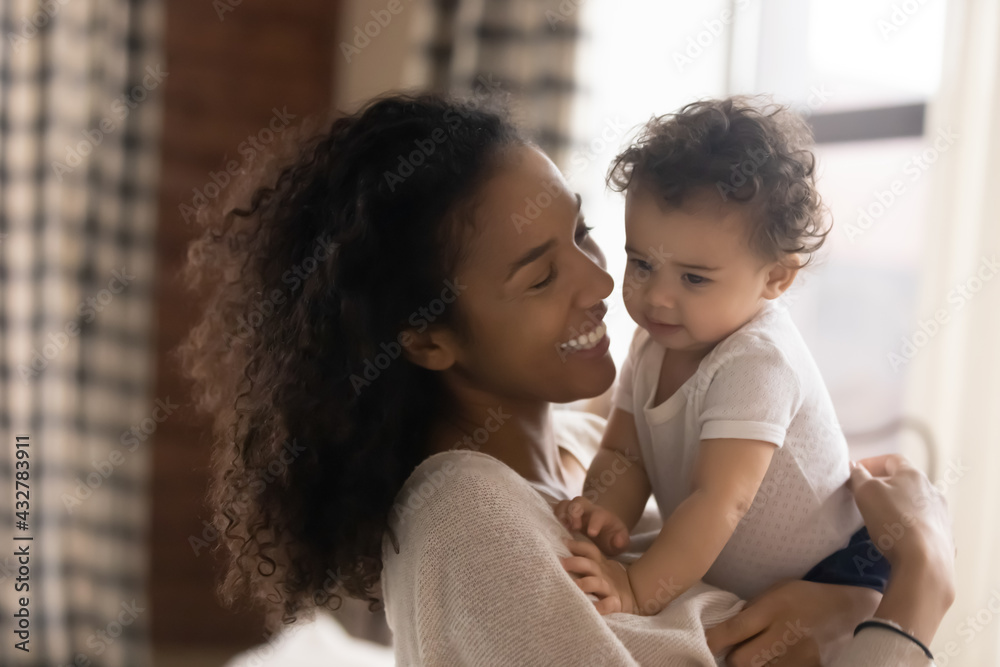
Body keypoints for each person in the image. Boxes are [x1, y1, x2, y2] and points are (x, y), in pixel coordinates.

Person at [178, 92, 954, 666]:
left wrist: (851, 596)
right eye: (542, 275)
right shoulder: (465, 514)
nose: (605, 284)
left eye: (583, 231)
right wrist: (917, 583)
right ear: (429, 338)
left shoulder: (591, 450)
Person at [555, 97, 882, 615]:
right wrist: (603, 517)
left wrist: (638, 590)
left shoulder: (757, 362)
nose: (656, 297)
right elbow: (625, 456)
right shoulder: (653, 342)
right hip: (738, 572)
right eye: (641, 263)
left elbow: (718, 500)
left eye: (693, 278)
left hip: (837, 568)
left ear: (775, 278)